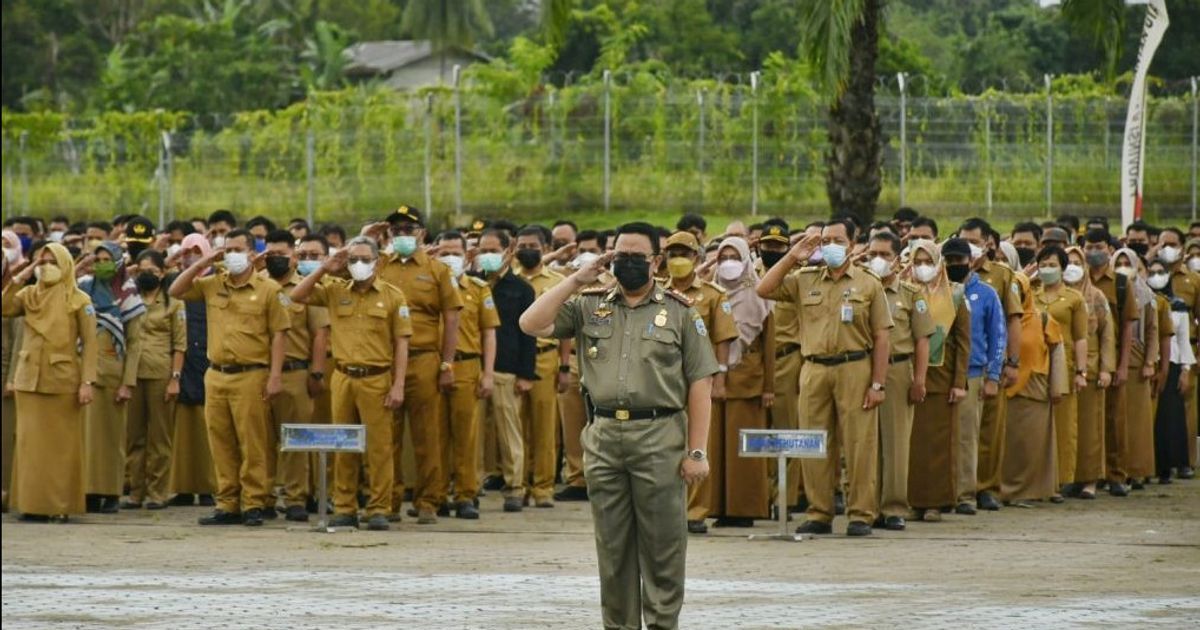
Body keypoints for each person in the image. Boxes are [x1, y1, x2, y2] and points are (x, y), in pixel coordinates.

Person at [519, 221, 718, 630]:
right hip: (605, 436)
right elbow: (531, 323)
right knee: (613, 550)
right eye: (620, 256)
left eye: (637, 257)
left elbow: (701, 382)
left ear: (656, 261)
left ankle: (663, 624)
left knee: (663, 547)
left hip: (659, 435)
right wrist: (576, 278)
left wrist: (696, 452)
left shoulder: (679, 311)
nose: (628, 264)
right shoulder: (589, 303)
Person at [757, 219, 893, 537]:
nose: (831, 244)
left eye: (837, 239)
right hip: (814, 368)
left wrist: (878, 383)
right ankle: (819, 511)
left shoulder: (868, 283)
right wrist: (793, 255)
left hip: (855, 366)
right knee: (813, 442)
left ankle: (861, 513)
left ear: (852, 243)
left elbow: (882, 337)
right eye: (825, 239)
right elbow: (764, 288)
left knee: (859, 444)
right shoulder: (804, 279)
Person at [169, 228, 290, 527]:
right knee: (220, 442)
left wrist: (275, 376)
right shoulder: (212, 284)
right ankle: (227, 503)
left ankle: (253, 503)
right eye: (228, 249)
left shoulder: (268, 289)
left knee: (252, 442)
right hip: (217, 374)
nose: (232, 255)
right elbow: (176, 290)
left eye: (238, 249)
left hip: (251, 373)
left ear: (252, 253)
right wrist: (203, 262)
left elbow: (279, 335)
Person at [290, 236, 411, 531]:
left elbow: (402, 344)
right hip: (343, 377)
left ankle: (378, 507)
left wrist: (398, 385)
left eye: (364, 259)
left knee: (379, 448)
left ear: (377, 262)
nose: (358, 265)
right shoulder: (334, 291)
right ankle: (344, 506)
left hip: (377, 377)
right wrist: (325, 267)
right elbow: (298, 295)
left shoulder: (393, 296)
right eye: (353, 259)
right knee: (343, 444)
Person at [368, 206, 461, 524]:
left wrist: (447, 364)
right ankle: (387, 500)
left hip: (423, 360)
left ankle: (428, 501)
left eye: (409, 229)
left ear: (422, 233)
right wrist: (367, 238)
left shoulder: (437, 270)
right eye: (396, 231)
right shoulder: (377, 264)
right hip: (384, 362)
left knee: (427, 435)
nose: (403, 235)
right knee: (385, 436)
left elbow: (451, 320)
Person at [2, 242, 98, 521]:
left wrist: (87, 382)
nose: (46, 266)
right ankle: (32, 505)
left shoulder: (79, 299)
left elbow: (90, 345)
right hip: (29, 379)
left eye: (52, 261)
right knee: (30, 446)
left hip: (62, 379)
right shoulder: (29, 294)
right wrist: (23, 274)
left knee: (61, 447)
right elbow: (5, 306)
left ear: (65, 265)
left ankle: (59, 505)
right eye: (42, 261)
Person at [661, 230, 737, 534]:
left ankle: (696, 511)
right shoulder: (654, 291)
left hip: (698, 381)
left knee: (697, 446)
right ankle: (668, 508)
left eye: (685, 254)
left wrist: (719, 378)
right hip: (662, 379)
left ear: (697, 258)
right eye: (672, 254)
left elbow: (723, 339)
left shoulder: (713, 294)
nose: (678, 260)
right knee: (664, 444)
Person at [865, 231, 933, 530]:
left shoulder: (910, 294)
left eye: (884, 255)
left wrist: (919, 379)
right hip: (861, 369)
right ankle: (865, 505)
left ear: (897, 258)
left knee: (895, 442)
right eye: (872, 255)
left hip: (897, 370)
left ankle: (893, 507)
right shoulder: (860, 288)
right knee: (863, 442)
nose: (878, 261)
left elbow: (922, 340)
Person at [261, 229, 330, 521]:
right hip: (258, 372)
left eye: (283, 254)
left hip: (295, 372)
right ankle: (261, 497)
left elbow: (320, 333)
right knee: (260, 441)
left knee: (296, 440)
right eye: (271, 254)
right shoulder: (256, 286)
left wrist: (316, 372)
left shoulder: (305, 288)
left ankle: (295, 499)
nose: (277, 259)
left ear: (294, 256)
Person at [707, 236, 773, 527]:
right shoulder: (710, 292)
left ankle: (744, 509)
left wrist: (769, 386)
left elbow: (769, 344)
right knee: (713, 448)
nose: (728, 264)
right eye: (723, 258)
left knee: (744, 450)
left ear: (747, 258)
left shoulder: (759, 293)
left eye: (735, 256)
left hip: (748, 380)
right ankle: (717, 506)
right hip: (710, 377)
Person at [957, 219, 1021, 513]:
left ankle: (986, 488)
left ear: (987, 244)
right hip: (955, 369)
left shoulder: (1001, 277)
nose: (968, 246)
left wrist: (1010, 363)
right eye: (963, 240)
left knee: (987, 432)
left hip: (986, 366)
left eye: (974, 241)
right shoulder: (946, 274)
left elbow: (1010, 322)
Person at [433, 230, 498, 519]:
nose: (449, 259)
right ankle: (435, 494)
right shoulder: (427, 287)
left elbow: (489, 334)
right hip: (430, 366)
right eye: (443, 252)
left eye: (455, 253)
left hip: (467, 365)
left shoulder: (478, 288)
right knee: (434, 435)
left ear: (466, 255)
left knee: (466, 435)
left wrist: (488, 373)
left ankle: (465, 494)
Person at [905, 239, 971, 522]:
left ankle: (936, 502)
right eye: (917, 262)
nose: (923, 268)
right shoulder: (905, 291)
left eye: (928, 262)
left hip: (941, 379)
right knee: (910, 445)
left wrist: (959, 382)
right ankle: (911, 500)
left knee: (938, 444)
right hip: (907, 376)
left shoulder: (956, 294)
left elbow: (963, 342)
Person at [76, 242, 144, 513]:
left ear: (118, 262)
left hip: (113, 375)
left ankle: (112, 492)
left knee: (112, 438)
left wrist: (128, 382)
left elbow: (135, 342)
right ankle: (89, 490)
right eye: (99, 258)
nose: (102, 263)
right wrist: (78, 267)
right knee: (86, 438)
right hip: (84, 373)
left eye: (107, 259)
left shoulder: (128, 295)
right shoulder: (84, 288)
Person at [474, 229, 537, 512]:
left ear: (507, 251)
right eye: (482, 249)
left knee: (509, 432)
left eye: (492, 249)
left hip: (507, 369)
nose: (487, 255)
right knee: (473, 434)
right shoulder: (471, 284)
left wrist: (526, 374)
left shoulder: (521, 288)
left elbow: (529, 334)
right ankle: (471, 485)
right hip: (473, 369)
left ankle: (514, 487)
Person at [121, 250, 186, 510]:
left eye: (152, 271)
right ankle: (136, 492)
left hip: (161, 374)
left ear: (163, 273)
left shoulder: (174, 303)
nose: (146, 275)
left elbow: (179, 345)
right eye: (142, 270)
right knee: (133, 436)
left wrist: (175, 379)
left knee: (160, 438)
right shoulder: (129, 299)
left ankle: (157, 493)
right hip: (132, 374)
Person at [947, 235, 1006, 516]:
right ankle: (940, 492)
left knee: (966, 438)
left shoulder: (986, 294)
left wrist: (993, 376)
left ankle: (965, 495)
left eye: (958, 260)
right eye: (948, 261)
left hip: (972, 373)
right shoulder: (937, 292)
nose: (953, 265)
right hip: (941, 375)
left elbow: (998, 336)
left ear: (971, 262)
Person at [512, 225, 566, 508]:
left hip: (546, 358)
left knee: (545, 428)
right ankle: (517, 485)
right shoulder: (509, 281)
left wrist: (565, 366)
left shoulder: (558, 282)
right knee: (517, 428)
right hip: (514, 363)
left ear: (546, 248)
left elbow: (566, 328)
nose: (527, 250)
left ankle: (543, 487)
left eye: (533, 245)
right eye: (521, 245)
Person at [1083, 229, 1140, 496]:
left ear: (1109, 249)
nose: (1094, 251)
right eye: (1089, 246)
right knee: (1086, 421)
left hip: (1113, 358)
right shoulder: (1077, 280)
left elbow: (1128, 327)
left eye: (1099, 246)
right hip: (1086, 361)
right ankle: (1086, 474)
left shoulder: (1119, 282)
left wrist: (1122, 365)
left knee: (1114, 419)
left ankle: (1117, 474)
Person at [554, 230, 610, 502]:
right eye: (582, 249)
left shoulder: (612, 282)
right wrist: (564, 366)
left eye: (592, 249)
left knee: (602, 422)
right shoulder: (569, 281)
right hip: (575, 357)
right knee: (572, 421)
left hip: (604, 361)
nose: (586, 253)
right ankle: (577, 478)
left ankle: (603, 475)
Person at [758, 221, 806, 514]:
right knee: (756, 433)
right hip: (753, 365)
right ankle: (759, 496)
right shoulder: (746, 277)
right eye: (767, 246)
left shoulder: (798, 280)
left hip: (787, 360)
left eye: (778, 246)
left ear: (788, 249)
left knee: (788, 432)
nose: (772, 251)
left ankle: (784, 500)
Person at [1032, 246, 1088, 499]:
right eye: (1043, 263)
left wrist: (1081, 371)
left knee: (1065, 425)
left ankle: (1063, 478)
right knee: (1037, 425)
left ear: (1063, 268)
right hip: (1035, 366)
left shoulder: (1074, 298)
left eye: (1052, 264)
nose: (1047, 268)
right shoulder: (1032, 295)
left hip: (1063, 366)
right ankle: (1038, 480)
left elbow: (1080, 338)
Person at [167, 233, 218, 507]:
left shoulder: (216, 283)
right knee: (184, 432)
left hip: (210, 362)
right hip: (182, 365)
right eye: (187, 251)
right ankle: (184, 487)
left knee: (210, 429)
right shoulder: (178, 284)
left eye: (198, 251)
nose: (192, 256)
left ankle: (210, 487)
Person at [1062, 246, 1115, 500]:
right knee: (1067, 428)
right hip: (1061, 370)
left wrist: (1106, 368)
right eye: (1067, 261)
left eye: (1076, 261)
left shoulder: (1096, 296)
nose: (1071, 266)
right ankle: (1067, 477)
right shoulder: (1055, 295)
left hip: (1091, 371)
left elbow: (1107, 336)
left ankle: (1090, 480)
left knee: (1090, 428)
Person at [1154, 227, 1199, 478]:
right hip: (1158, 356)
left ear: (1182, 245)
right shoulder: (1149, 286)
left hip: (1184, 352)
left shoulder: (1192, 281)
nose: (1167, 248)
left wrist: (1189, 363)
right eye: (1163, 244)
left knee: (1182, 411)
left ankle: (1186, 461)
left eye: (1172, 243)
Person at [1117, 249, 1160, 489]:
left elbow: (1153, 331)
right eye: (1119, 262)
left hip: (1139, 360)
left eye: (1127, 263)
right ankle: (1116, 470)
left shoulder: (1147, 296)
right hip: (1117, 359)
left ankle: (1137, 470)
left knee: (1137, 422)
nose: (1123, 266)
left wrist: (1149, 362)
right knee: (1117, 419)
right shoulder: (1114, 290)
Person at [1148, 259, 1194, 483]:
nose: (1156, 276)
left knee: (1170, 417)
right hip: (1149, 363)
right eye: (1152, 271)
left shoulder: (1179, 304)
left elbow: (1184, 339)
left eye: (1161, 272)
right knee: (1150, 418)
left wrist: (1186, 369)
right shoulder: (1143, 302)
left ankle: (1172, 465)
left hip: (1173, 363)